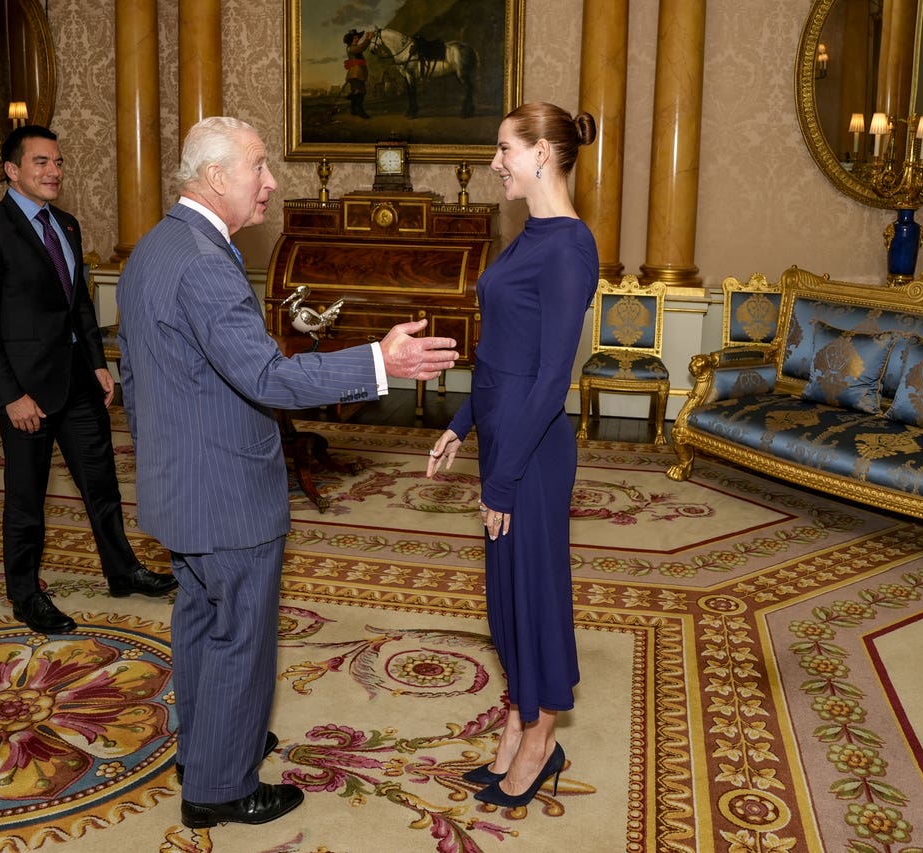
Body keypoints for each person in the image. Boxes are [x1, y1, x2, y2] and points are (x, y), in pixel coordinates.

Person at [116, 116, 458, 828]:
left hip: (180, 481)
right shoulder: (207, 262)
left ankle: (207, 744)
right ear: (216, 179)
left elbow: (138, 375)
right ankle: (221, 786)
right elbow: (267, 376)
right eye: (259, 167)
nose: (271, 182)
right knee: (241, 631)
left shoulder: (155, 245)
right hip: (227, 490)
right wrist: (378, 362)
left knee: (200, 616)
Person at [426, 102, 599, 808]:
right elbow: (502, 353)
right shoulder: (528, 234)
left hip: (531, 451)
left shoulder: (569, 246)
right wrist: (464, 422)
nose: (495, 162)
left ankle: (541, 737)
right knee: (504, 600)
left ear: (541, 155)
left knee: (536, 595)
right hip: (501, 438)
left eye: (503, 149)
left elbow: (551, 377)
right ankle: (518, 717)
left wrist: (499, 478)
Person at [0, 124, 177, 636]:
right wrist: (11, 395)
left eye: (57, 162)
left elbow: (78, 302)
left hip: (77, 381)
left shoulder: (68, 225)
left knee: (101, 483)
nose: (53, 171)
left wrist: (99, 362)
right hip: (26, 392)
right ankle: (26, 594)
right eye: (41, 162)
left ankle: (122, 571)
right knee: (27, 497)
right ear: (13, 171)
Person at [342, 28, 374, 119]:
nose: (357, 39)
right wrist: (368, 39)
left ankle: (353, 110)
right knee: (360, 93)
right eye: (355, 38)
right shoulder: (352, 48)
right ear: (351, 39)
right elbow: (361, 47)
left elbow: (360, 46)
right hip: (356, 74)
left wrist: (367, 38)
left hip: (357, 74)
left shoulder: (353, 47)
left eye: (357, 37)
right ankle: (360, 112)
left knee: (356, 92)